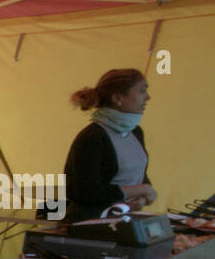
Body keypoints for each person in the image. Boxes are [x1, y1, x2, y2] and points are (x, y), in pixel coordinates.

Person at [63, 69, 155, 223]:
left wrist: (141, 198)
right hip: (92, 225)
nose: (147, 97)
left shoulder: (136, 132)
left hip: (124, 220)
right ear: (118, 98)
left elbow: (137, 175)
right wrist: (142, 190)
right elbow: (83, 192)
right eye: (142, 91)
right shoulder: (92, 138)